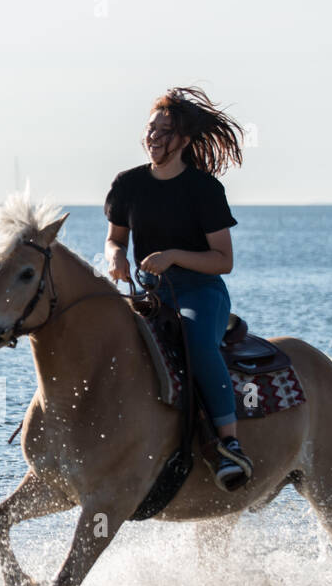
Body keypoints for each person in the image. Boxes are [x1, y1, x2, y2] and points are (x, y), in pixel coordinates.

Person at [104, 86, 253, 492]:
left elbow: (223, 260)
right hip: (149, 294)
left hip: (200, 292)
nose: (153, 136)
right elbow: (115, 238)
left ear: (184, 140)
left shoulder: (203, 189)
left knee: (195, 342)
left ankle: (229, 444)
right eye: (151, 128)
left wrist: (172, 255)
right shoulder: (128, 184)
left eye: (164, 131)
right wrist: (116, 257)